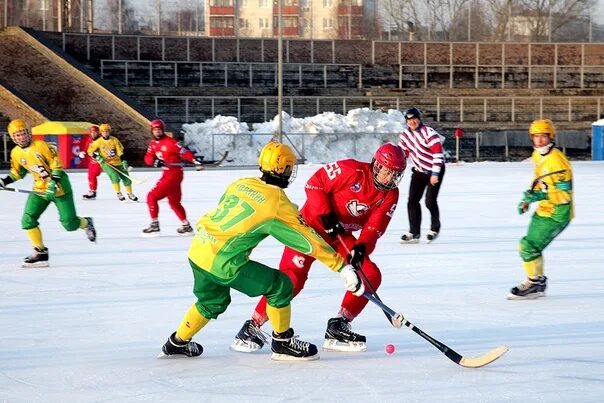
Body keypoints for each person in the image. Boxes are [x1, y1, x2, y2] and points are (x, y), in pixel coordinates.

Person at [159, 142, 364, 361]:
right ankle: (283, 342)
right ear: (281, 170)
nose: (290, 173)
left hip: (199, 250)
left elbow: (222, 210)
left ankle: (177, 342)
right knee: (281, 285)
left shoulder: (241, 183)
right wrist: (341, 266)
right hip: (224, 261)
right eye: (289, 168)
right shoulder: (276, 202)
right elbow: (307, 241)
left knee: (211, 302)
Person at [231, 143, 406, 353]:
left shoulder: (390, 195)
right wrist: (326, 215)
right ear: (376, 165)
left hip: (339, 237)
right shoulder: (351, 170)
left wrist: (361, 249)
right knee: (292, 280)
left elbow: (374, 228)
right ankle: (252, 327)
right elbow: (314, 184)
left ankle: (339, 325)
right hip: (308, 229)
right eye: (386, 171)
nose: (388, 178)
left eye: (395, 174)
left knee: (369, 274)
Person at [0, 119, 97, 267]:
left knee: (69, 224)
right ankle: (40, 252)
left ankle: (86, 222)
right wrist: (4, 181)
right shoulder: (16, 153)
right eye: (17, 135)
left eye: (23, 133)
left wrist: (53, 184)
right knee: (27, 220)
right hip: (39, 190)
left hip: (60, 189)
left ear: (28, 132)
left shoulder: (42, 146)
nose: (21, 137)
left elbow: (57, 166)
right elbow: (17, 173)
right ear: (13, 137)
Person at [509, 119, 573, 300]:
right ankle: (538, 281)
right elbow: (540, 180)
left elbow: (564, 196)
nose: (539, 141)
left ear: (550, 137)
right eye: (536, 137)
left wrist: (538, 197)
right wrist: (529, 197)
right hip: (545, 210)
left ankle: (534, 283)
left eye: (543, 137)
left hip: (557, 213)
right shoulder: (538, 155)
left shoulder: (558, 162)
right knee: (530, 246)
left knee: (528, 246)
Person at [142, 119, 204, 235]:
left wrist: (194, 160)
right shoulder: (153, 144)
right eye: (155, 130)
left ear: (163, 130)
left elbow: (184, 152)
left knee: (151, 196)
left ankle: (154, 224)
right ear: (152, 131)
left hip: (173, 175)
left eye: (159, 130)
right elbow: (148, 157)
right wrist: (154, 162)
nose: (157, 132)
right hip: (168, 174)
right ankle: (186, 225)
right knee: (174, 202)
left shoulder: (170, 143)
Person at [398, 107, 445, 244]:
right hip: (419, 171)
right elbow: (403, 153)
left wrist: (435, 174)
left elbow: (438, 155)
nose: (412, 122)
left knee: (429, 201)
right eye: (409, 120)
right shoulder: (405, 135)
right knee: (412, 201)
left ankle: (434, 228)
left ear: (419, 119)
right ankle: (414, 232)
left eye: (414, 119)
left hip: (434, 170)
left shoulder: (429, 133)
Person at [87, 123, 138, 202]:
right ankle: (118, 193)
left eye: (107, 131)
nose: (105, 133)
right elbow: (90, 151)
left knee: (126, 178)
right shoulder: (98, 142)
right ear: (101, 132)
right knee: (114, 176)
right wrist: (97, 157)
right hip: (106, 163)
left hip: (117, 162)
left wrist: (124, 161)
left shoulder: (114, 140)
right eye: (103, 131)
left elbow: (120, 151)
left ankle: (130, 193)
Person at [81, 125, 103, 200]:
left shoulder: (101, 140)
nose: (93, 134)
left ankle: (93, 192)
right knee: (90, 176)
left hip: (99, 161)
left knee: (93, 174)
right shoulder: (90, 139)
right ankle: (92, 191)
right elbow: (86, 148)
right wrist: (83, 152)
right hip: (91, 161)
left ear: (98, 133)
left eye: (95, 132)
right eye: (91, 132)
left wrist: (99, 154)